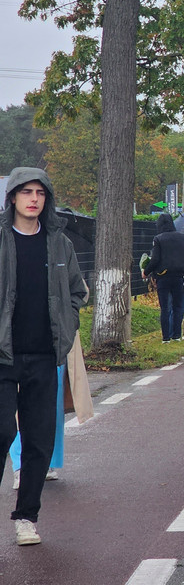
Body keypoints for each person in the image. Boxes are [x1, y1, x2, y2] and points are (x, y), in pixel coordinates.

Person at [0, 167, 88, 546]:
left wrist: (66, 328)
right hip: (2, 356)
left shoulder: (59, 243)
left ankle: (26, 517)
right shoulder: (1, 239)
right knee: (3, 431)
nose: (33, 199)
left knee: (39, 441)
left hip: (43, 356)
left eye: (40, 192)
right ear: (13, 198)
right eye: (26, 192)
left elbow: (77, 292)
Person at [146, 212, 184, 342]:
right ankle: (176, 335)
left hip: (163, 276)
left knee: (165, 308)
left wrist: (146, 271)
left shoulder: (158, 239)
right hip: (178, 276)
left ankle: (166, 337)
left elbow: (155, 259)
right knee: (178, 307)